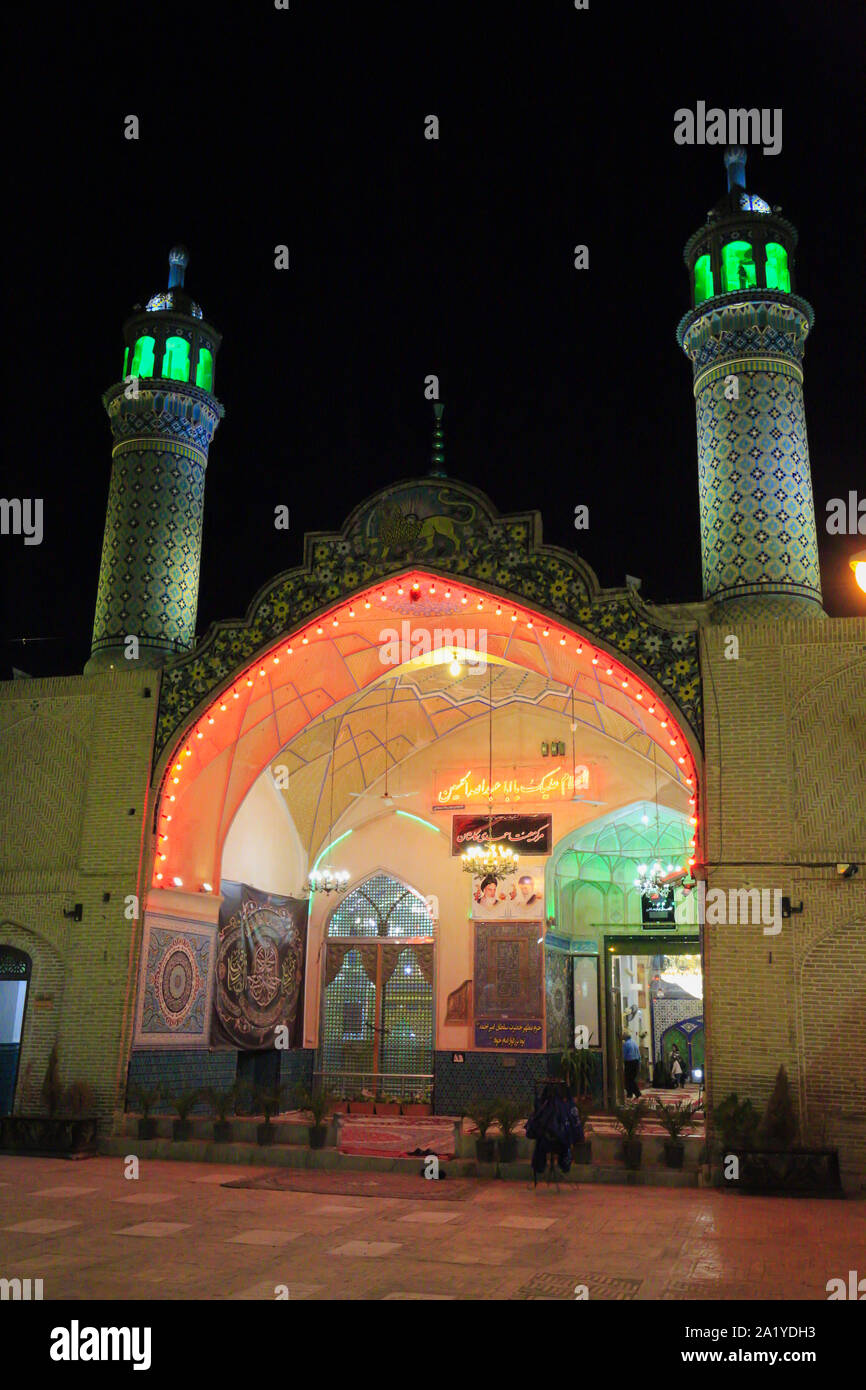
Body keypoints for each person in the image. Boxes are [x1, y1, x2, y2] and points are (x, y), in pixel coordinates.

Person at [622, 1031, 641, 1099]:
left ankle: (636, 1093)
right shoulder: (634, 1043)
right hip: (636, 1062)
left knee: (628, 1079)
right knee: (631, 1079)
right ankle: (631, 1094)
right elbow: (639, 1055)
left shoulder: (626, 1044)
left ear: (625, 1036)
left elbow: (623, 1055)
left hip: (630, 1063)